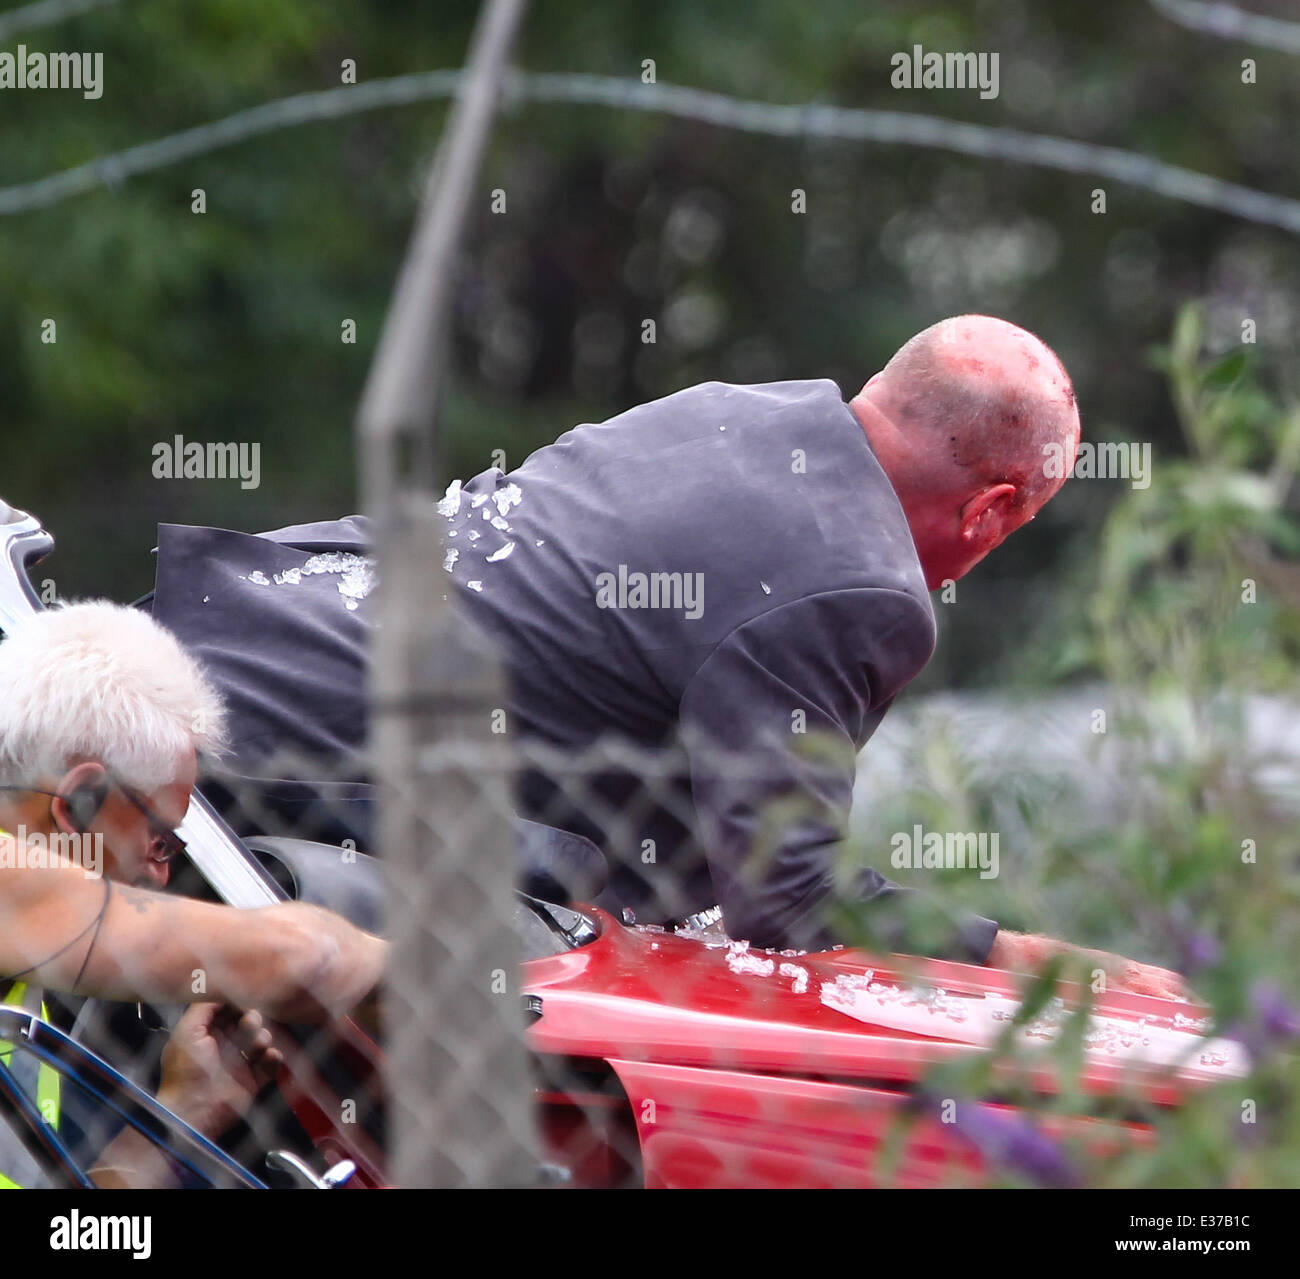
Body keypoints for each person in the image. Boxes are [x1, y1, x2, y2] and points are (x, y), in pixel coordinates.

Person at [148, 315, 1183, 998]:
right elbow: (787, 903)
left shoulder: (730, 409)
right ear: (995, 505)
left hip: (214, 638)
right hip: (278, 762)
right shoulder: (859, 584)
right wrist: (1041, 968)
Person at [0, 599, 386, 1185]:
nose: (159, 875)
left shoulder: (31, 990)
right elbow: (303, 958)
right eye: (158, 838)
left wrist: (182, 1114)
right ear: (81, 803)